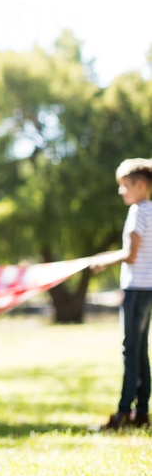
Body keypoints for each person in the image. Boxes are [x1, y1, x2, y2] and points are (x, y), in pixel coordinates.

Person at [90, 158, 152, 431]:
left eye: (124, 186)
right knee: (141, 351)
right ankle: (141, 413)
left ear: (140, 185)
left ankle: (124, 414)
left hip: (136, 289)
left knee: (131, 351)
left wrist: (104, 259)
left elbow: (130, 254)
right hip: (147, 290)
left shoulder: (138, 211)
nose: (121, 191)